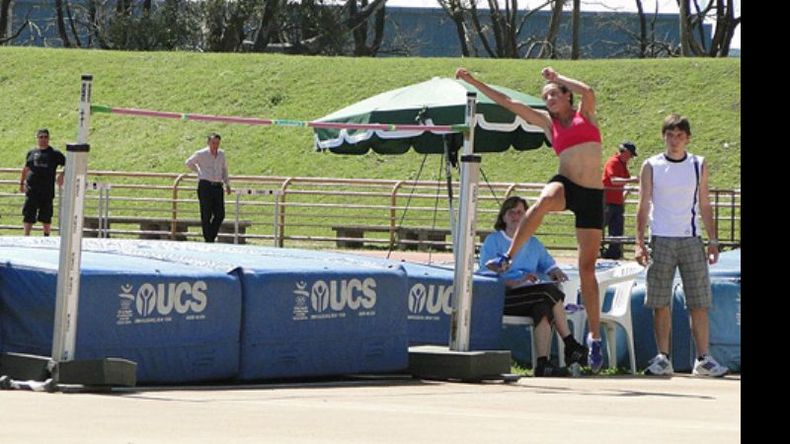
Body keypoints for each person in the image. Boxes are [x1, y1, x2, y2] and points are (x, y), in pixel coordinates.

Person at [456, 66, 606, 372]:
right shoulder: (549, 124)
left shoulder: (584, 114)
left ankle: (594, 337)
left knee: (587, 268)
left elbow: (588, 91)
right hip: (566, 185)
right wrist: (474, 81)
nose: (549, 99)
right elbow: (510, 104)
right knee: (542, 201)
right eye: (546, 96)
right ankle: (508, 257)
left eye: (554, 94)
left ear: (567, 96)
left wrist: (558, 77)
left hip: (592, 195)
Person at [634, 113, 728, 377]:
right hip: (661, 237)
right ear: (664, 137)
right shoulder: (651, 165)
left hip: (691, 237)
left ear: (687, 138)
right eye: (670, 135)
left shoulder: (698, 164)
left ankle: (703, 358)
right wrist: (639, 242)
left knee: (699, 300)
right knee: (660, 300)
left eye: (679, 135)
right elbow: (643, 205)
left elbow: (705, 204)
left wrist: (713, 240)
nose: (674, 141)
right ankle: (663, 357)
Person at [480, 196, 589, 377]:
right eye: (511, 212)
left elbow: (548, 264)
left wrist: (555, 272)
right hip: (503, 296)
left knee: (543, 306)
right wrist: (515, 282)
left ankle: (542, 364)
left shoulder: (533, 243)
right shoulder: (493, 241)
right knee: (548, 293)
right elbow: (486, 275)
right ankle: (571, 345)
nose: (516, 216)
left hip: (531, 295)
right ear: (504, 217)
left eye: (521, 213)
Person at [185, 132, 232, 243]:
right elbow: (188, 162)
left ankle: (211, 235)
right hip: (205, 185)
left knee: (220, 214)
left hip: (217, 185)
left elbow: (224, 169)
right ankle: (209, 239)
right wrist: (199, 171)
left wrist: (227, 183)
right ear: (208, 143)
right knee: (206, 213)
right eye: (213, 143)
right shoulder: (201, 154)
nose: (215, 145)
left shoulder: (221, 154)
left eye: (217, 143)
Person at [19, 128, 65, 236]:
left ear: (49, 138)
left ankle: (46, 237)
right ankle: (26, 236)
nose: (43, 139)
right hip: (32, 190)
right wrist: (21, 183)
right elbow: (26, 169)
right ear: (37, 138)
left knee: (46, 216)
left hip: (47, 190)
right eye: (41, 137)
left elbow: (70, 164)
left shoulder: (55, 153)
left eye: (45, 137)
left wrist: (62, 175)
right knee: (28, 214)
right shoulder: (31, 153)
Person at [601, 141, 640, 259]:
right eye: (630, 155)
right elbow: (614, 180)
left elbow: (624, 179)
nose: (631, 158)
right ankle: (596, 250)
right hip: (607, 201)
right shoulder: (613, 162)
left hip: (616, 202)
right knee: (600, 226)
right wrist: (633, 181)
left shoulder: (622, 164)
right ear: (625, 152)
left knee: (617, 231)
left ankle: (613, 253)